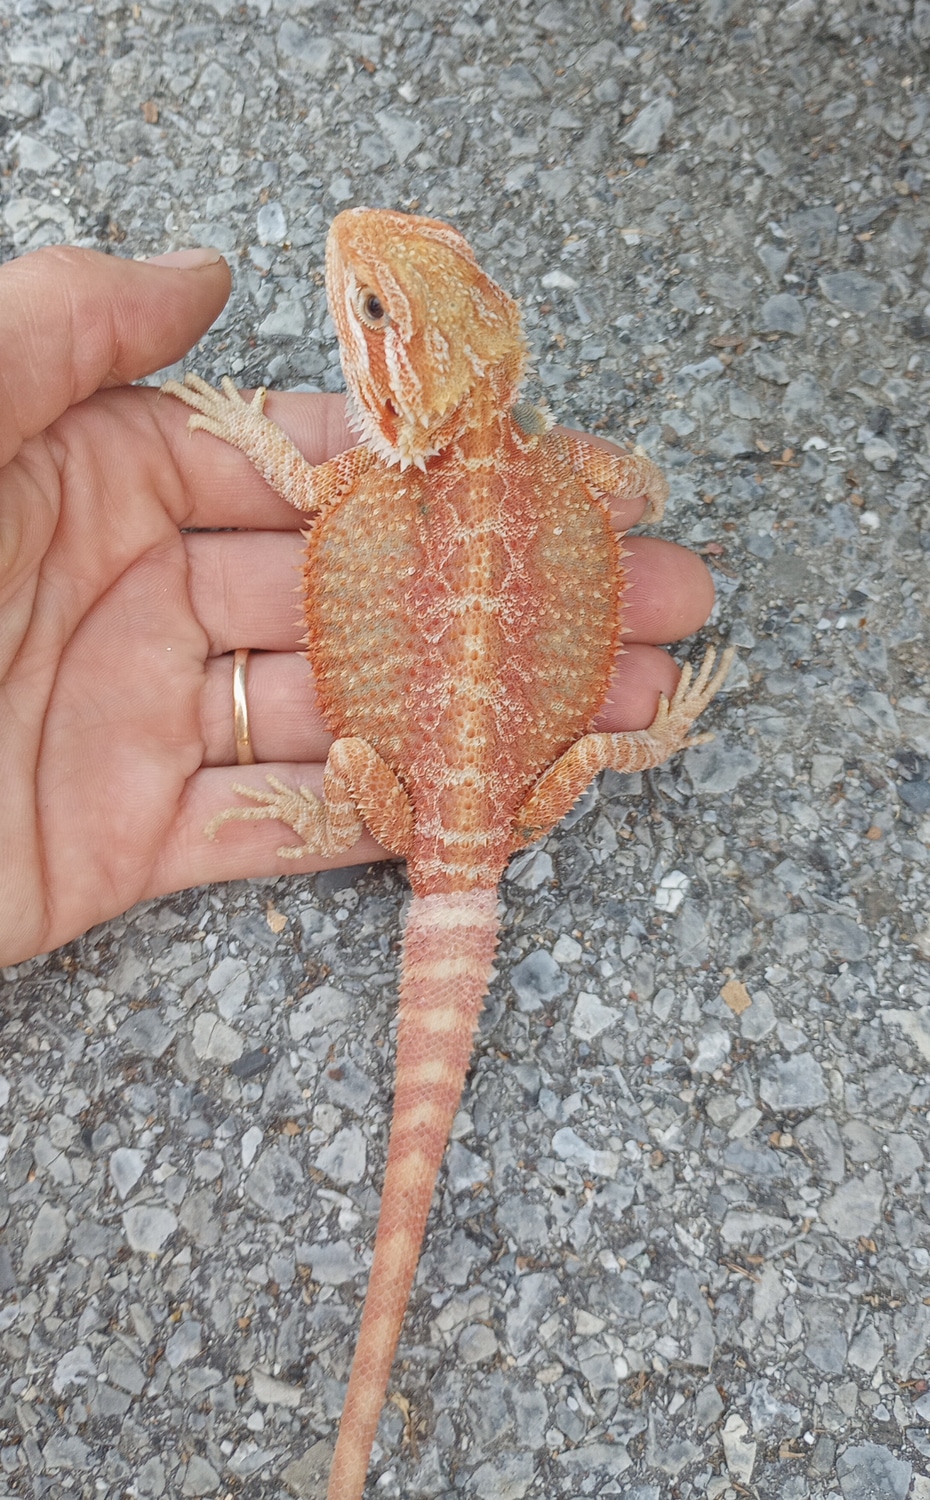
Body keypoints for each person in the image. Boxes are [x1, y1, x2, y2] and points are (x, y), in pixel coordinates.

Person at [0, 243, 718, 970]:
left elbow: (307, 489)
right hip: (511, 809)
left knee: (352, 755)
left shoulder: (381, 469)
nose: (357, 290)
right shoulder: (552, 458)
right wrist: (649, 483)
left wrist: (251, 430)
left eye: (375, 310)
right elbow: (628, 476)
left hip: (440, 814)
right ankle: (651, 745)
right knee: (590, 748)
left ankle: (328, 823)